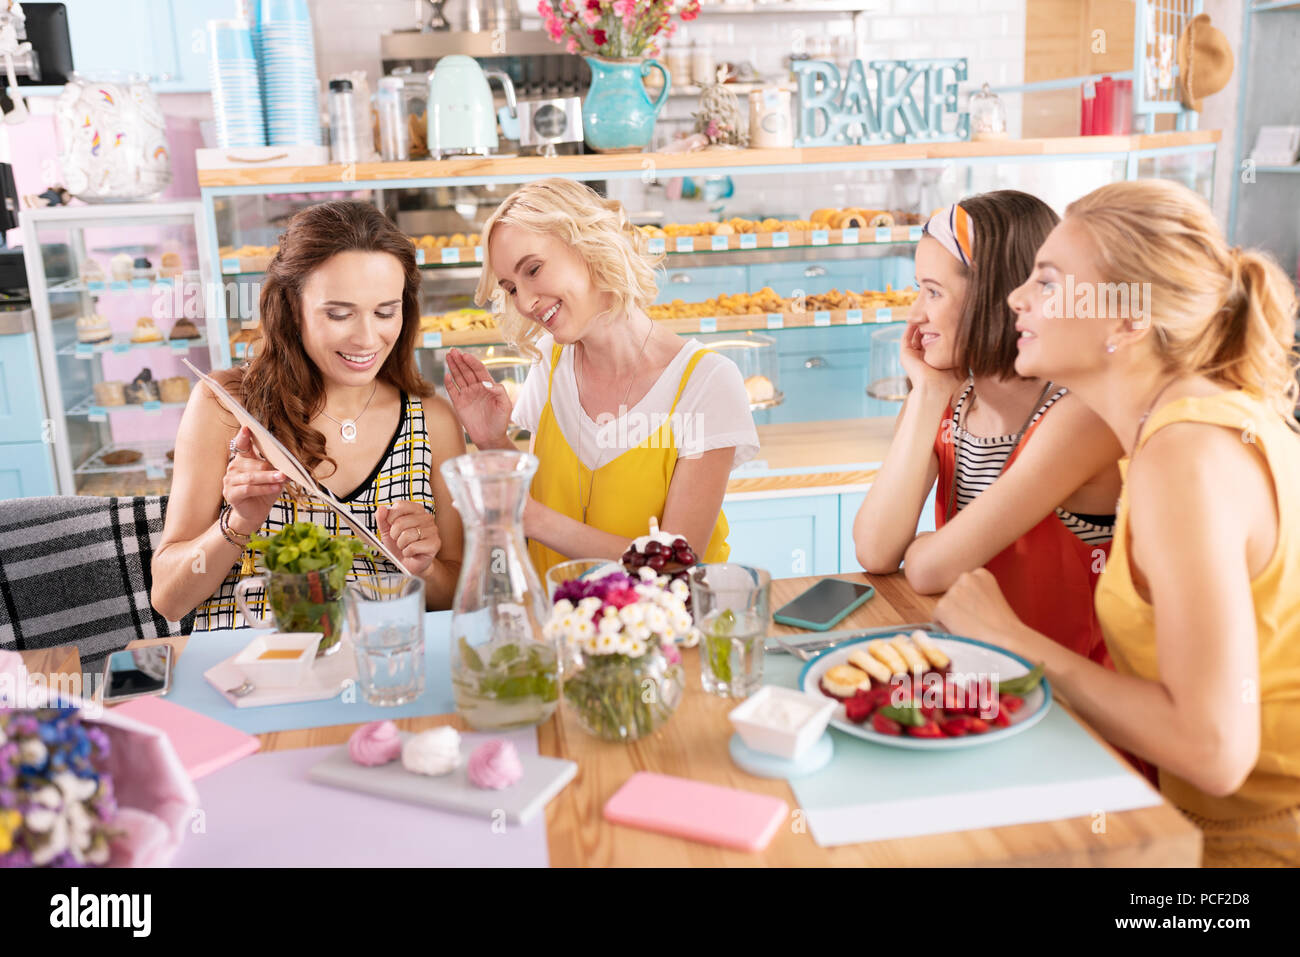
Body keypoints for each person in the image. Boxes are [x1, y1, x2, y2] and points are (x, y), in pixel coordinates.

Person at [936, 179, 1300, 866]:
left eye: (1048, 280)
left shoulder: (1183, 459)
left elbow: (1216, 749)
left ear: (1126, 321)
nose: (1017, 296)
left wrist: (1009, 639)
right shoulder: (1194, 418)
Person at [151, 201, 466, 627]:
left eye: (385, 312)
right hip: (253, 667)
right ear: (291, 307)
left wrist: (423, 566)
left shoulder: (434, 421)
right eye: (339, 313)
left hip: (379, 664)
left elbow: (457, 600)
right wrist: (239, 520)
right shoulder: (226, 406)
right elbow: (169, 599)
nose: (367, 338)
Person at [853, 191, 1122, 664]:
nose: (915, 315)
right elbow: (875, 551)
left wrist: (923, 549)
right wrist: (928, 395)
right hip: (978, 669)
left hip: (1067, 700)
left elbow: (928, 571)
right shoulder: (950, 402)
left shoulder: (1081, 416)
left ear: (995, 298)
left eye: (933, 292)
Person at [443, 178, 758, 578]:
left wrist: (525, 513)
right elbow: (552, 501)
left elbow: (676, 564)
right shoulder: (551, 363)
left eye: (533, 270)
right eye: (510, 288)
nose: (523, 302)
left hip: (662, 636)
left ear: (588, 244)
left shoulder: (706, 384)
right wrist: (492, 442)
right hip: (556, 626)